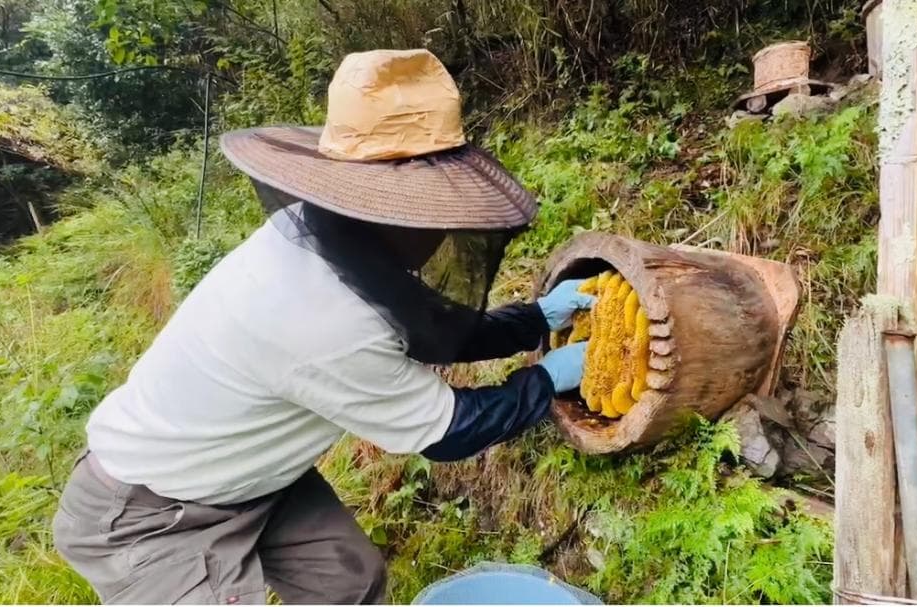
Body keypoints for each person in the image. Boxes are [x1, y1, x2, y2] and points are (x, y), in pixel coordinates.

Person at [52, 48, 592, 605]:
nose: (442, 225)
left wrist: (534, 320)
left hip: (253, 478)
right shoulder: (317, 320)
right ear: (378, 208)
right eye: (429, 209)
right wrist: (548, 380)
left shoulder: (335, 241)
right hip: (153, 515)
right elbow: (450, 431)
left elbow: (429, 328)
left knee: (349, 583)